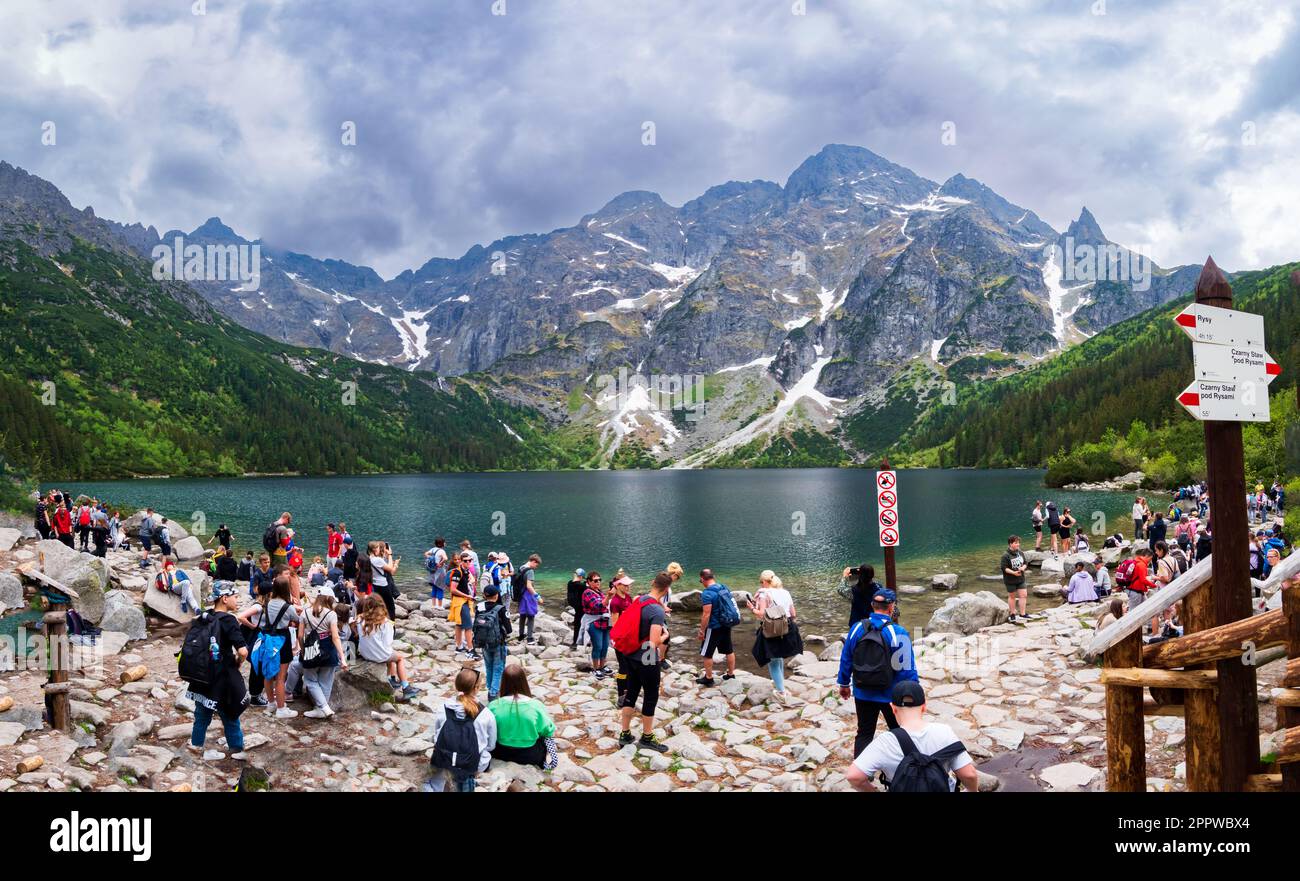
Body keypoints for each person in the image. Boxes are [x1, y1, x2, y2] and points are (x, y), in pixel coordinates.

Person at [845, 681, 977, 793]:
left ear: (893, 708)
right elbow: (968, 774)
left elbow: (854, 776)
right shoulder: (944, 732)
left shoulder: (885, 742)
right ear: (924, 707)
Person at [837, 587, 917, 758]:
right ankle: (908, 768)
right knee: (900, 732)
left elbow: (847, 659)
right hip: (891, 694)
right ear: (891, 607)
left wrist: (844, 684)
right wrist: (911, 694)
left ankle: (862, 774)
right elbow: (906, 669)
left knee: (864, 732)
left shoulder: (857, 628)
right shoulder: (898, 632)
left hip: (863, 691)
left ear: (873, 605)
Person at [185, 582, 251, 761]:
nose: (237, 600)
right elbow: (243, 651)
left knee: (202, 714)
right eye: (235, 596)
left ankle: (196, 745)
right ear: (224, 598)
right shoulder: (229, 620)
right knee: (230, 712)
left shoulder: (204, 617)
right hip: (222, 676)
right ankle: (237, 750)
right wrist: (237, 662)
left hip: (201, 674)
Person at [613, 571, 671, 753]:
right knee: (651, 695)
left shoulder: (639, 599)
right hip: (646, 657)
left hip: (630, 654)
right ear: (667, 589)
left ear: (653, 583)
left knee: (631, 692)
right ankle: (647, 737)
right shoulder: (657, 610)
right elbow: (652, 643)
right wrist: (665, 636)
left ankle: (625, 734)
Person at [240, 573, 300, 717]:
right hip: (282, 640)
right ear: (286, 589)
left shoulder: (266, 604)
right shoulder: (288, 607)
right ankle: (281, 709)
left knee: (267, 674)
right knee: (280, 676)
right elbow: (297, 621)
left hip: (267, 639)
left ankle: (271, 704)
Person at [428, 667, 497, 792]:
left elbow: (436, 735)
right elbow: (491, 745)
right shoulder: (486, 714)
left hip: (445, 760)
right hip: (471, 765)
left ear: (456, 686)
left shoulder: (443, 708)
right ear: (476, 688)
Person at [488, 664, 559, 769]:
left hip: (500, 752)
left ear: (503, 682)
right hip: (530, 755)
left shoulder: (494, 705)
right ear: (523, 682)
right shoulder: (535, 705)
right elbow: (548, 731)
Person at [747, 570, 800, 696]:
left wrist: (752, 608)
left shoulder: (764, 594)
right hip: (788, 627)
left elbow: (761, 614)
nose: (761, 584)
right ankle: (780, 683)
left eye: (761, 582)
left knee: (773, 660)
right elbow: (793, 614)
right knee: (779, 656)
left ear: (765, 581)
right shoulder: (785, 592)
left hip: (772, 630)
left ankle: (781, 692)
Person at [358, 594, 420, 700]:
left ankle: (391, 679)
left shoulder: (360, 619)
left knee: (389, 653)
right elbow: (388, 643)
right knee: (399, 658)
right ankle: (406, 687)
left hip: (365, 653)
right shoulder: (385, 622)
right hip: (378, 655)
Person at [298, 588, 347, 718]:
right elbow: (335, 637)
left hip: (311, 647)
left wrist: (303, 651)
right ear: (328, 599)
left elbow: (300, 635)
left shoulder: (305, 613)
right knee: (326, 680)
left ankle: (322, 709)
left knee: (310, 679)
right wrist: (342, 657)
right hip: (328, 648)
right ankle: (323, 708)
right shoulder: (331, 614)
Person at [696, 568, 738, 687]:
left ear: (703, 579)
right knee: (729, 650)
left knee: (707, 653)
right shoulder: (723, 587)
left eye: (701, 581)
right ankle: (730, 674)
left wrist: (702, 631)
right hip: (726, 623)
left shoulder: (707, 593)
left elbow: (706, 614)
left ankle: (708, 678)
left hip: (714, 627)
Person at [474, 584, 512, 700]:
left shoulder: (479, 607)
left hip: (483, 642)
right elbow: (509, 629)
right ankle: (493, 693)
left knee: (489, 667)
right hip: (498, 643)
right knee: (498, 668)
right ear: (496, 595)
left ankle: (490, 688)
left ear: (485, 595)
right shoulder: (500, 608)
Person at [608, 574, 635, 704]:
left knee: (630, 666)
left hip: (630, 638)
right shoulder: (615, 602)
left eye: (629, 584)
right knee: (623, 668)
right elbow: (615, 624)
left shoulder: (628, 598)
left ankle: (628, 690)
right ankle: (620, 693)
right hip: (621, 641)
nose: (628, 587)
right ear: (618, 586)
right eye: (625, 585)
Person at [580, 572, 611, 680]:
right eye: (595, 580)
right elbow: (598, 606)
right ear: (588, 582)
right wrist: (609, 596)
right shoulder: (587, 593)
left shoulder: (598, 592)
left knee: (605, 646)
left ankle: (602, 667)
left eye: (599, 580)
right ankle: (595, 668)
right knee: (597, 646)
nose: (598, 582)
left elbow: (605, 605)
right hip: (594, 623)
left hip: (605, 622)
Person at [448, 551, 477, 657]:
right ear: (461, 561)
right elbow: (452, 589)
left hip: (464, 601)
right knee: (468, 626)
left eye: (470, 560)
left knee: (459, 625)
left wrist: (472, 580)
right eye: (466, 561)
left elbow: (471, 581)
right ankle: (470, 650)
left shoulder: (466, 571)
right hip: (461, 602)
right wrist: (467, 596)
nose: (468, 562)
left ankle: (459, 647)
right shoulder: (457, 572)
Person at [838, 563, 882, 628]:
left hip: (857, 625)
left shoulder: (853, 590)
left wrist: (845, 577)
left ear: (860, 575)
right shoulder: (879, 589)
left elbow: (840, 589)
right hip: (875, 625)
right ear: (872, 575)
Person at [514, 554, 542, 644]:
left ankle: (521, 635)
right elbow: (529, 586)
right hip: (528, 595)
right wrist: (537, 597)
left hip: (520, 595)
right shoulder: (530, 571)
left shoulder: (522, 567)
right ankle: (530, 638)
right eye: (536, 565)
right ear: (533, 561)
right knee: (531, 616)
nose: (536, 567)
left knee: (522, 615)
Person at [368, 541, 399, 620]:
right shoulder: (377, 559)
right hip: (383, 585)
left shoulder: (369, 558)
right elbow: (391, 569)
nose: (379, 549)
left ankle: (381, 622)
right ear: (374, 549)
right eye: (378, 547)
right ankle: (391, 626)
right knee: (390, 607)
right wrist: (390, 555)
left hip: (375, 585)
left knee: (380, 605)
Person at [1001, 535, 1028, 622]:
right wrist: (1013, 573)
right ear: (1010, 544)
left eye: (1018, 542)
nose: (1018, 544)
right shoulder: (1005, 555)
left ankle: (1023, 614)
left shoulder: (1020, 552)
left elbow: (1025, 563)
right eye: (1016, 543)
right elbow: (1004, 568)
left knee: (1023, 595)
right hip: (1010, 580)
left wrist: (1023, 568)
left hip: (1021, 578)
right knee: (1012, 596)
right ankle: (1012, 614)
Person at [566, 567, 588, 649]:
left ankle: (575, 641)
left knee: (577, 624)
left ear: (574, 574)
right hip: (581, 607)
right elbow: (585, 588)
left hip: (574, 606)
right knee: (581, 624)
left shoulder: (569, 583)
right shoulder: (581, 586)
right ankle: (578, 642)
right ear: (581, 577)